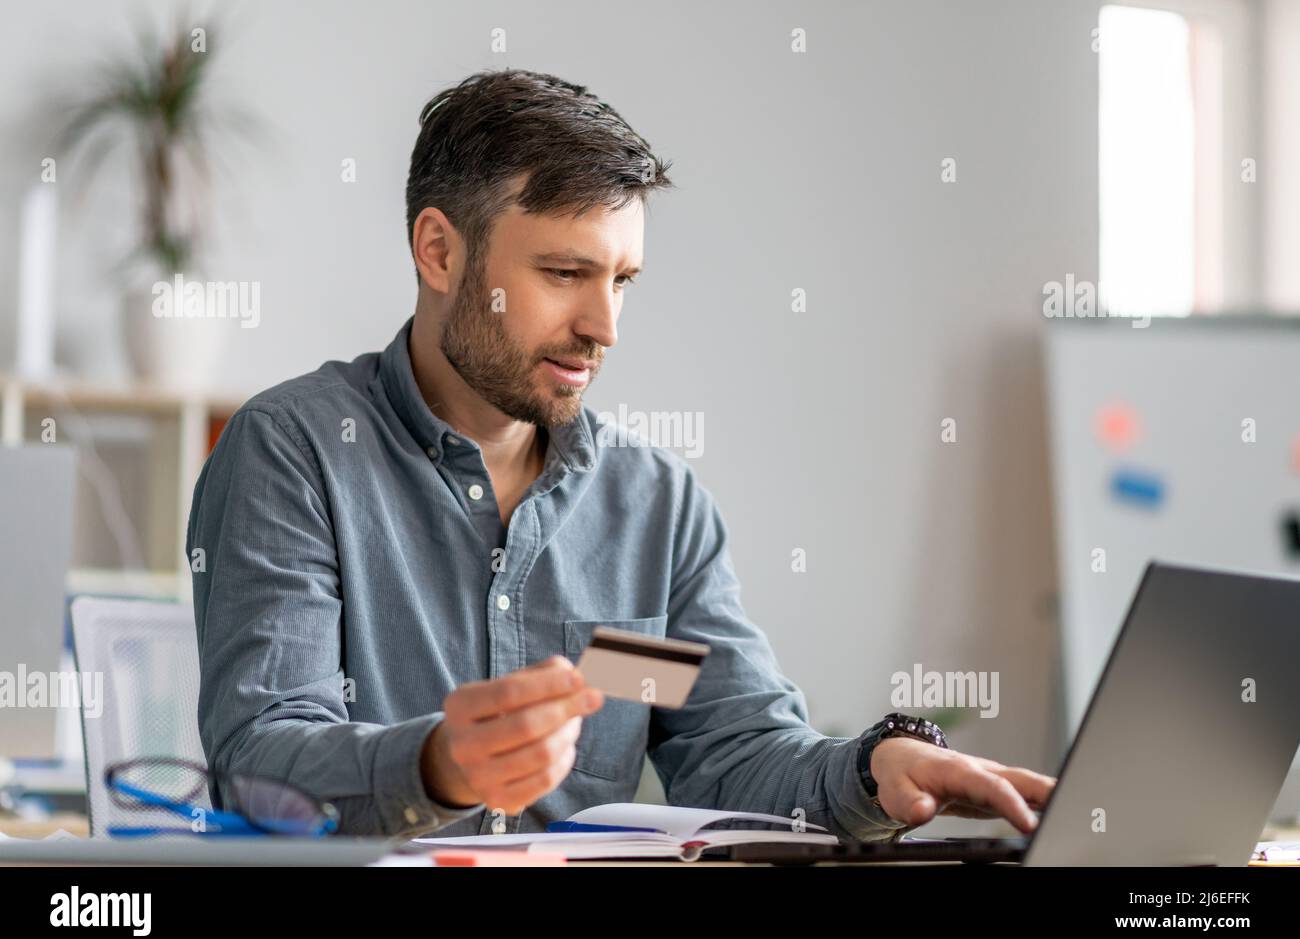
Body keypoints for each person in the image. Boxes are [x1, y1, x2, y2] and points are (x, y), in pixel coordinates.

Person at [189, 68, 1054, 840]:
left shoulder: (657, 509)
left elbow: (734, 748)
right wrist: (438, 765)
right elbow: (263, 761)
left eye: (622, 281)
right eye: (565, 274)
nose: (603, 328)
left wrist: (871, 771)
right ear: (439, 251)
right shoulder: (294, 452)